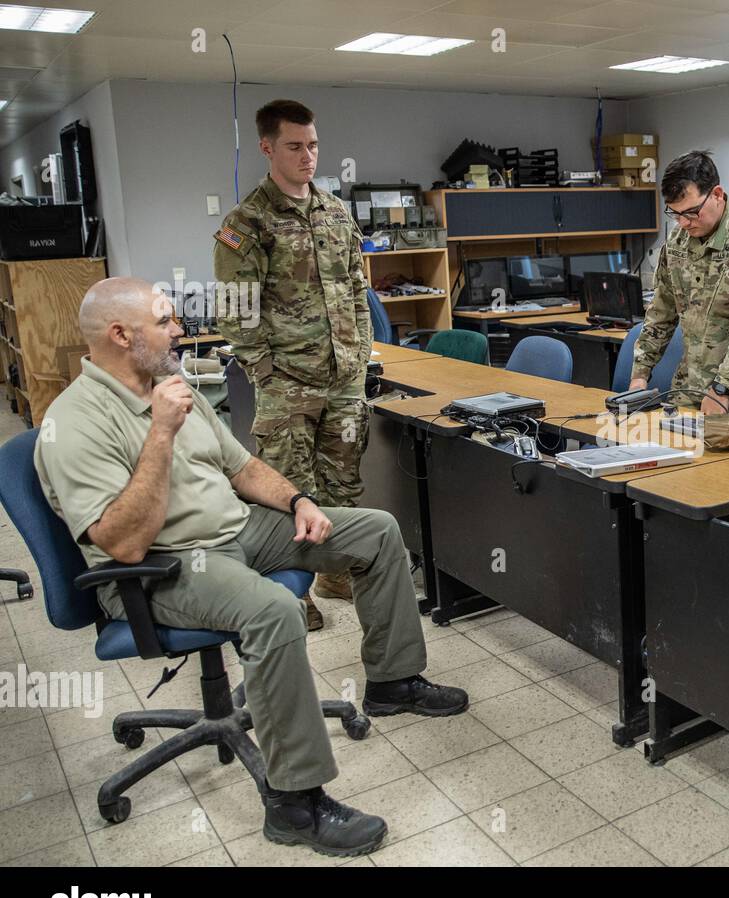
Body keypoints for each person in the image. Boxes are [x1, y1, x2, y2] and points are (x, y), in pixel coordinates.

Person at [34, 278, 468, 857]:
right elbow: (124, 542)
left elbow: (240, 467)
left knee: (376, 532)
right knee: (273, 610)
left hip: (237, 529)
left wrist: (298, 503)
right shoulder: (76, 422)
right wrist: (159, 433)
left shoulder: (167, 381)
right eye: (165, 321)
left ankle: (393, 682)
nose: (179, 330)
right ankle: (294, 804)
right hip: (162, 566)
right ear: (120, 335)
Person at [214, 99, 371, 630]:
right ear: (267, 148)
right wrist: (268, 375)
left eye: (314, 145)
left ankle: (335, 572)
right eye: (295, 146)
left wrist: (360, 355)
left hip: (344, 378)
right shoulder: (246, 222)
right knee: (289, 489)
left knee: (344, 482)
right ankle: (296, 591)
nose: (308, 157)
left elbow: (357, 289)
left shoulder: (336, 212)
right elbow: (237, 312)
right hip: (288, 383)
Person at [629, 150, 729, 420]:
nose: (683, 222)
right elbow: (661, 313)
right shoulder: (678, 241)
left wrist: (721, 386)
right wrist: (639, 376)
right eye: (675, 213)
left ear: (717, 194)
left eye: (691, 212)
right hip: (692, 388)